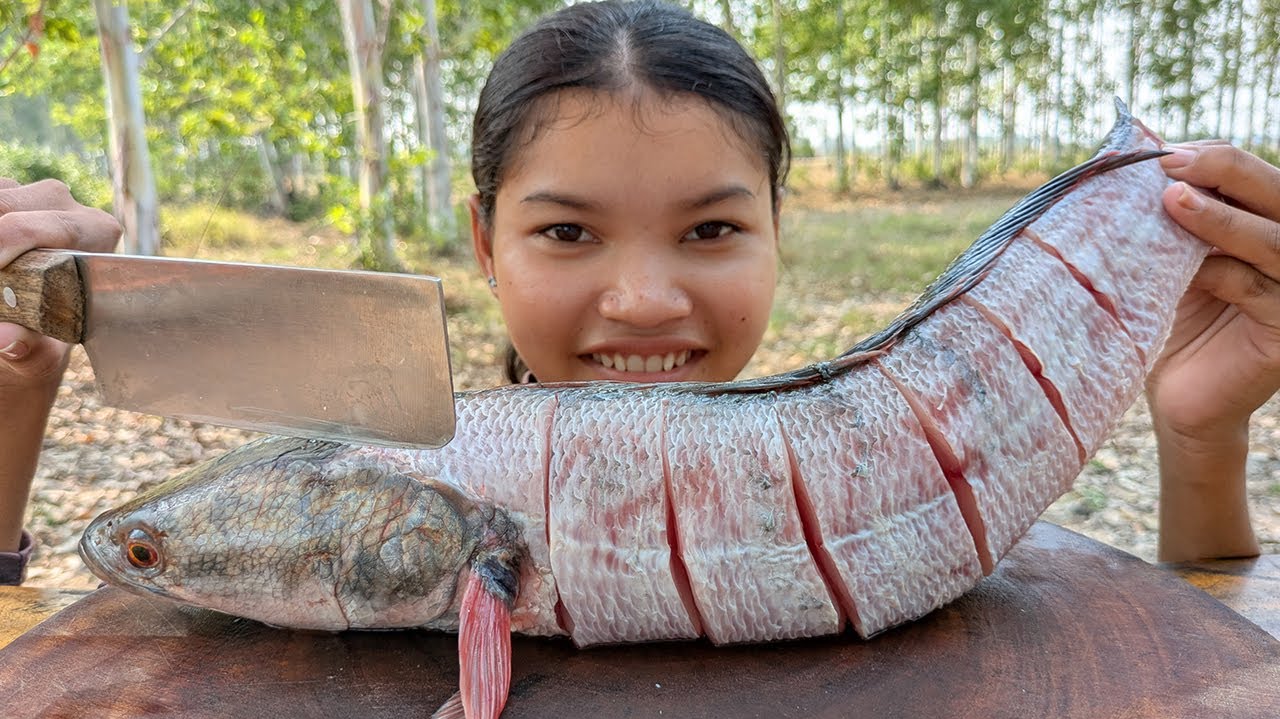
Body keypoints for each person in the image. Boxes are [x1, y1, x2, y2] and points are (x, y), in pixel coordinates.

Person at [1, 0, 1277, 587]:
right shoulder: (360, 490)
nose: (645, 298)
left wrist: (1195, 435)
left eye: (713, 228)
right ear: (484, 244)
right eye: (566, 231)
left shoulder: (959, 489)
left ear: (779, 231)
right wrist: (8, 428)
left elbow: (1185, 653)